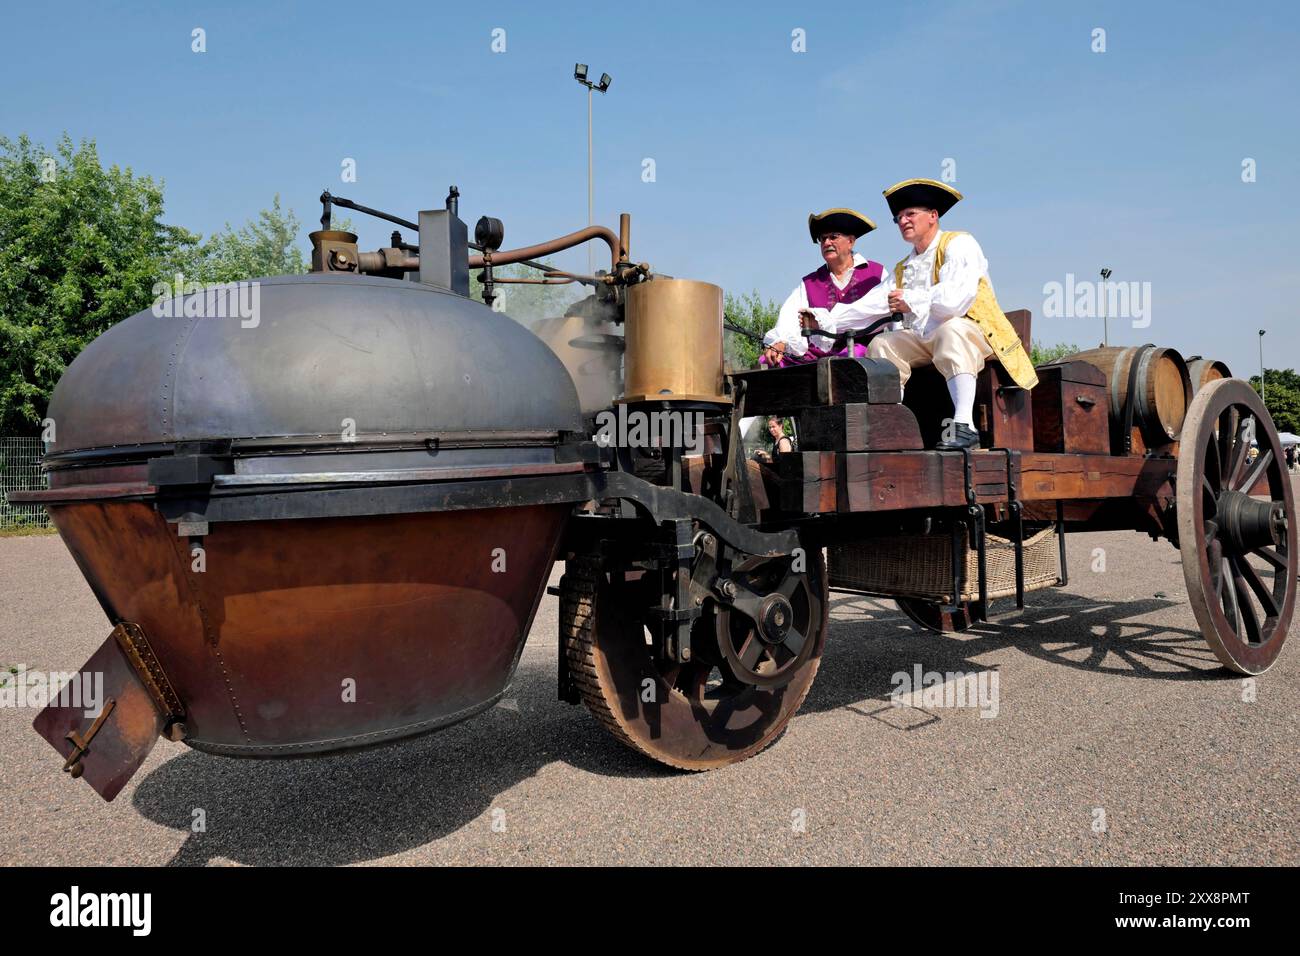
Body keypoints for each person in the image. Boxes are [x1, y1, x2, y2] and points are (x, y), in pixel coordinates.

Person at [822, 179, 1038, 450]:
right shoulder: (904, 268)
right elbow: (870, 306)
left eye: (910, 214)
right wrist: (824, 320)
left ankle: (964, 426)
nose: (903, 221)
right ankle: (893, 425)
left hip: (975, 332)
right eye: (898, 217)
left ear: (933, 216)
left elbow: (954, 302)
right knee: (882, 344)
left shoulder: (959, 244)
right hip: (926, 338)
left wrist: (911, 300)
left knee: (952, 330)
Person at [761, 209, 885, 368]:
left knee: (849, 364)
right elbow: (789, 317)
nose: (826, 243)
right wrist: (780, 342)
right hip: (817, 356)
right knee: (774, 361)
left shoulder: (877, 273)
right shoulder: (809, 283)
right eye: (823, 239)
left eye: (833, 237)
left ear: (851, 241)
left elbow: (892, 317)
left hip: (862, 353)